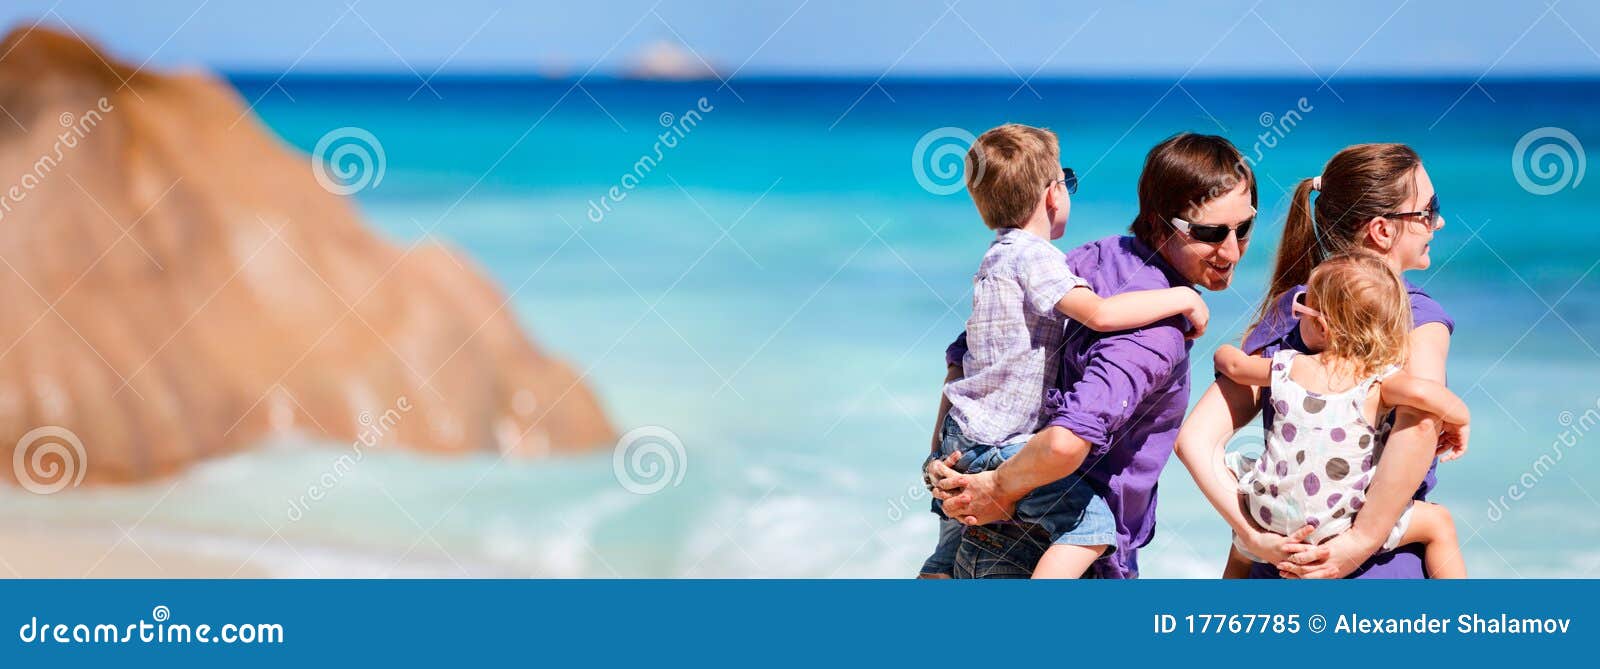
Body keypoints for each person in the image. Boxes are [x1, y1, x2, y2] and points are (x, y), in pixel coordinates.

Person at [928, 132, 1254, 578]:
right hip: (1041, 548)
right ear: (1158, 221)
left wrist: (940, 452)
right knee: (1093, 528)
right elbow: (1066, 441)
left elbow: (965, 355)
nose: (1232, 250)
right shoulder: (1154, 333)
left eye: (1244, 228)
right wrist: (997, 488)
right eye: (1210, 233)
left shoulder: (1093, 257)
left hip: (980, 507)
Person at [1175, 143, 1459, 579]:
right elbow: (1420, 426)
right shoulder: (1416, 317)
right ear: (1382, 230)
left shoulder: (1292, 310)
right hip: (1375, 571)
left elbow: (1194, 440)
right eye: (1428, 210)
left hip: (1279, 564)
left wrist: (1251, 536)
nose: (1438, 222)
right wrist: (1357, 544)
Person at [1200, 251, 1469, 578]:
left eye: (1301, 311)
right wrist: (1459, 418)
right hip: (1337, 526)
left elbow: (1234, 365)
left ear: (1321, 326)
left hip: (1271, 517)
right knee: (1440, 524)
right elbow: (1426, 394)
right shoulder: (1380, 382)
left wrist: (1221, 350)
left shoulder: (1289, 365)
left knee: (1242, 501)